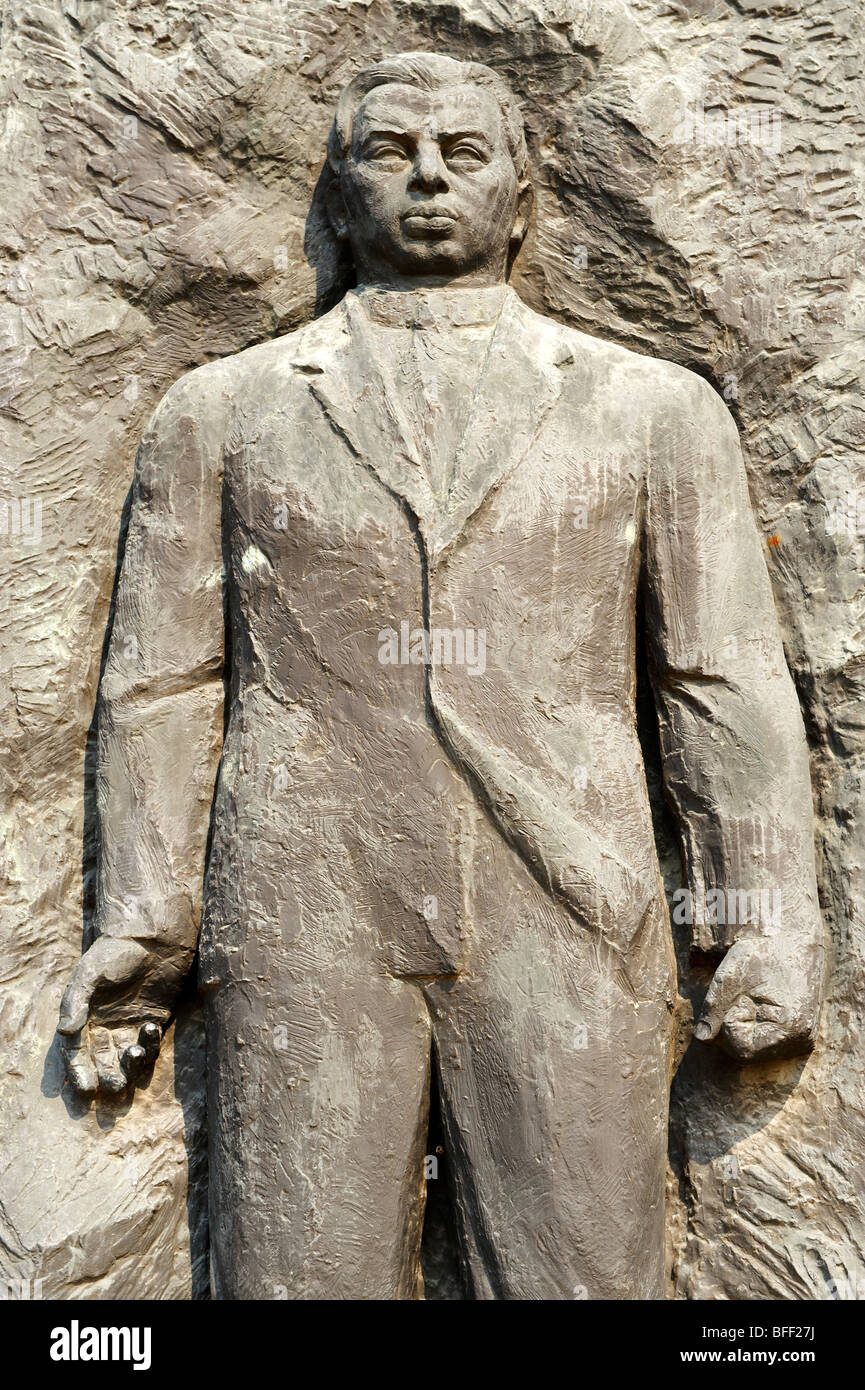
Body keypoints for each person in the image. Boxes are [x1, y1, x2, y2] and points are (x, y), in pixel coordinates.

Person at [57, 52, 823, 1299]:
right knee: (295, 1274)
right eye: (388, 152)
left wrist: (767, 922)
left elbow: (718, 679)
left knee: (584, 1274)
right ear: (338, 190)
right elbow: (162, 684)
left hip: (568, 907)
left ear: (522, 195)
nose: (425, 177)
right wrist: (145, 923)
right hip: (307, 908)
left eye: (462, 153)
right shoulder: (219, 412)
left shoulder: (653, 410)